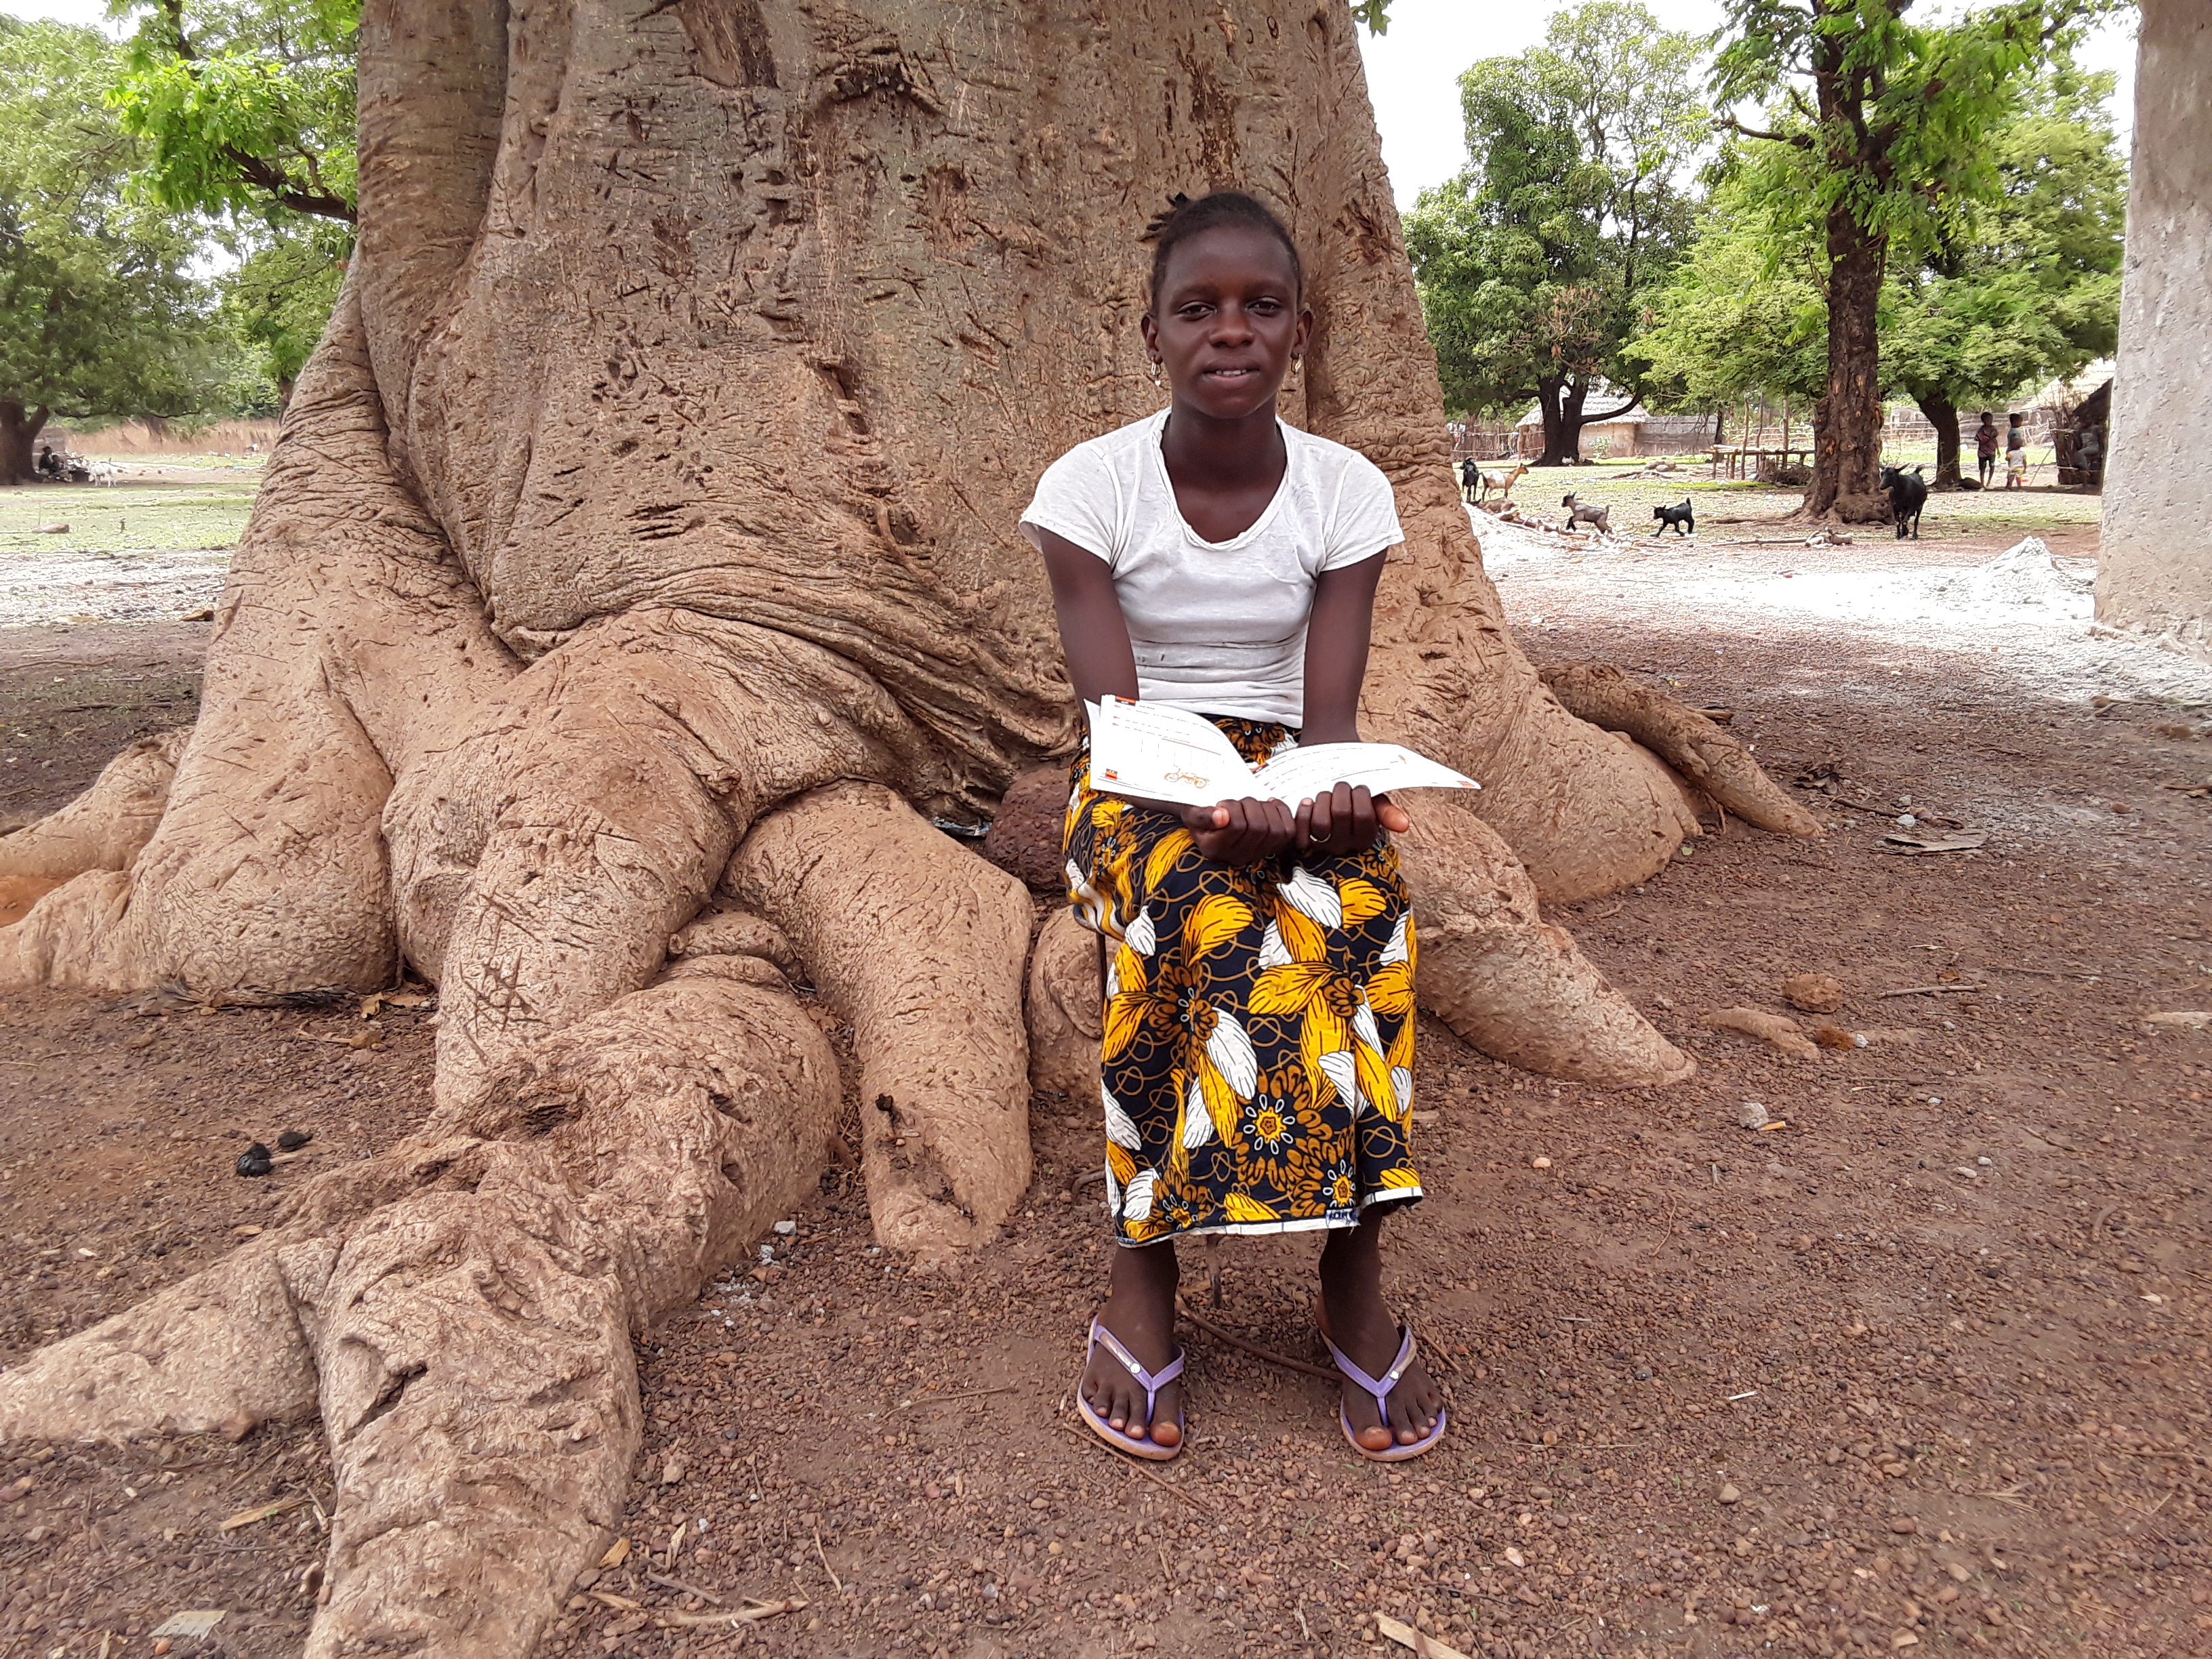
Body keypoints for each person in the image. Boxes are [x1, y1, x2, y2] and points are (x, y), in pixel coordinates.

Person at [1022, 190, 1446, 1464]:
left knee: (1362, 913)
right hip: (1138, 774)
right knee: (1190, 914)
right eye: (1196, 308)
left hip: (1281, 756)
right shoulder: (1086, 489)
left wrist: (1319, 793)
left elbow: (1327, 710)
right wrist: (1216, 812)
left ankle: (1350, 1270)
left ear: (1299, 332)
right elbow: (1115, 712)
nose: (1229, 332)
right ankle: (1138, 1269)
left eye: (1260, 307)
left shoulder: (1344, 491)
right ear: (1149, 331)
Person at [1974, 413, 1999, 488]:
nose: (1990, 421)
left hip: (1992, 451)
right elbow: (1982, 442)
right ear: (1983, 420)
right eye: (1988, 420)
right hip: (1983, 452)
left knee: (1992, 466)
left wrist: (1998, 449)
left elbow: (1995, 440)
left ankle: (1989, 482)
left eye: (1991, 419)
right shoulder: (1981, 431)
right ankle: (1982, 483)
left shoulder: (1993, 429)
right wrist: (1991, 438)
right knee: (1982, 467)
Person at [2005, 412, 2028, 489]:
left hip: (2013, 451)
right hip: (2013, 452)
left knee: (2014, 469)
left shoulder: (2012, 431)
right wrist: (2020, 443)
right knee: (2014, 469)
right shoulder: (2015, 432)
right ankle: (2010, 484)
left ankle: (2012, 484)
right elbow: (2015, 441)